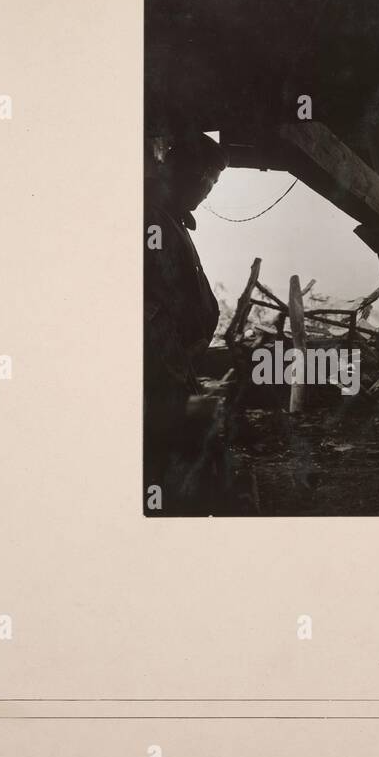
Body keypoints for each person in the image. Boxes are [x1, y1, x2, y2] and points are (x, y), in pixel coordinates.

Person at [143, 133, 228, 511]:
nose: (208, 191)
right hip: (161, 369)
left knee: (193, 445)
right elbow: (148, 300)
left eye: (212, 183)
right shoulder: (148, 214)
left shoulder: (168, 216)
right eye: (207, 181)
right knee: (172, 456)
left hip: (175, 365)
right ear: (187, 173)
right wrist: (167, 353)